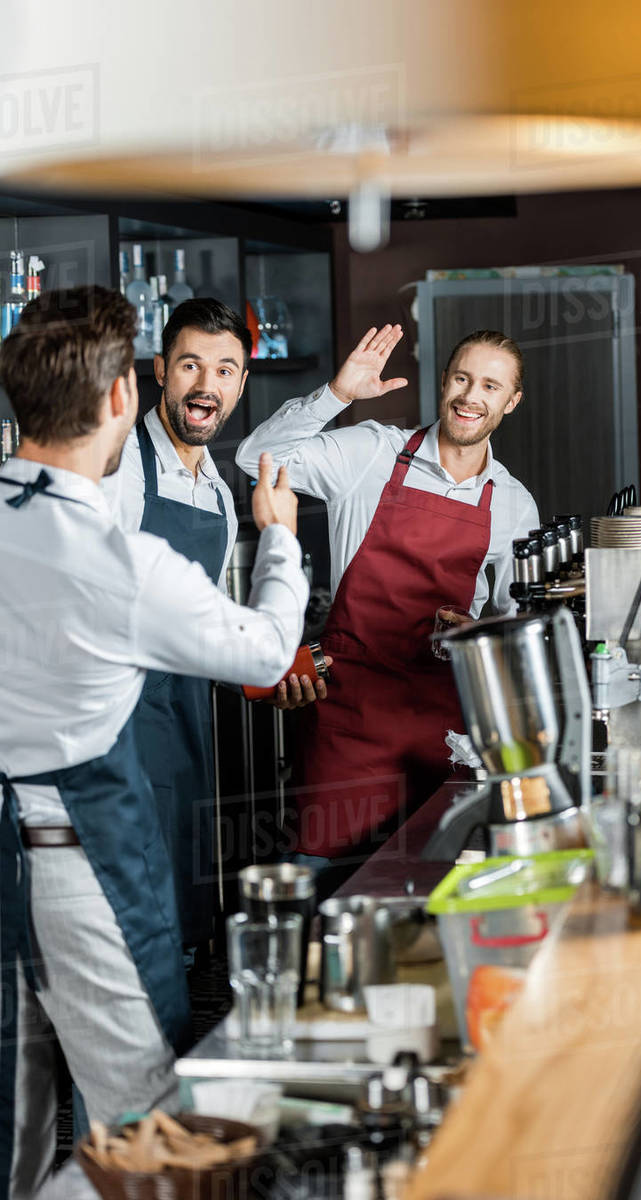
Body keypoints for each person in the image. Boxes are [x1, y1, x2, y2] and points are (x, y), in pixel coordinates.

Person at [0, 285, 308, 1198]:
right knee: (143, 1119)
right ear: (122, 399)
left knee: (12, 1123)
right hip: (77, 856)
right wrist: (280, 542)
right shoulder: (120, 561)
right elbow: (264, 647)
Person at [235, 324, 539, 879]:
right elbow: (256, 456)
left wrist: (475, 633)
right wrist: (338, 394)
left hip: (439, 736)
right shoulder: (372, 452)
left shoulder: (514, 505)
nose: (472, 397)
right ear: (444, 382)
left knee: (422, 890)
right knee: (316, 887)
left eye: (491, 387)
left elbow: (512, 626)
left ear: (512, 402)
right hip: (348, 727)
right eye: (463, 379)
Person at [102, 297, 325, 950]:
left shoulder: (220, 494)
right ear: (161, 370)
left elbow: (202, 624)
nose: (207, 387)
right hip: (117, 727)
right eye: (191, 366)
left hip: (185, 724)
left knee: (184, 913)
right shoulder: (119, 471)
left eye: (225, 370)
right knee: (133, 918)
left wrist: (263, 670)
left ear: (242, 383)